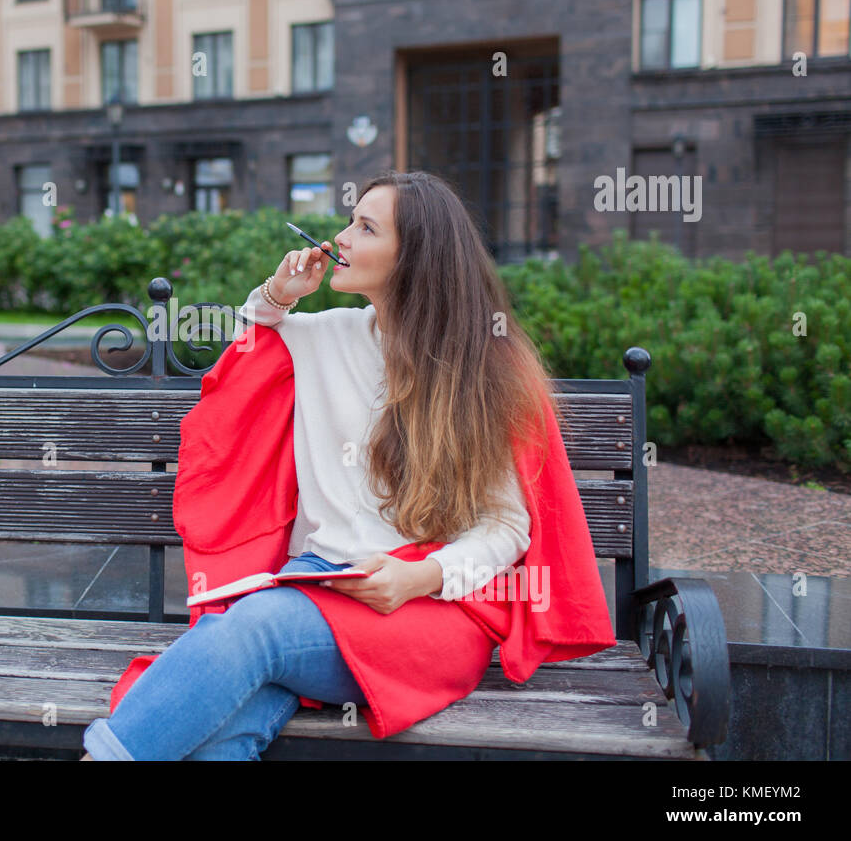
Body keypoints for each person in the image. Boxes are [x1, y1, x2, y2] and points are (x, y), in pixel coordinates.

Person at [80, 169, 563, 760]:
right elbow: (243, 360)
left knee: (251, 629)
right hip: (319, 586)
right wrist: (278, 294)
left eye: (364, 227)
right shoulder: (321, 336)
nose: (340, 238)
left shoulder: (486, 365)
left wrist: (420, 576)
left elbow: (506, 527)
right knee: (223, 729)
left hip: (431, 608)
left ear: (414, 256)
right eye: (349, 221)